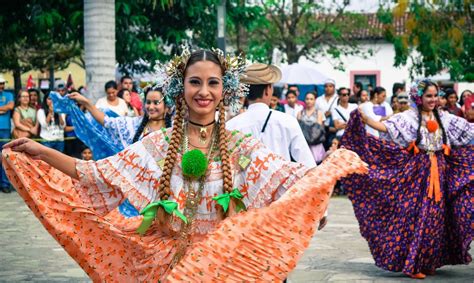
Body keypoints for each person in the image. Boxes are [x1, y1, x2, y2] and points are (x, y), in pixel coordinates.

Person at [2, 49, 366, 281]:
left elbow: (287, 176)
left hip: (224, 266)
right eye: (195, 82)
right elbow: (95, 173)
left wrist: (328, 171)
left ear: (225, 90)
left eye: (212, 83)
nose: (203, 91)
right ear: (182, 87)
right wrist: (41, 151)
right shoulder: (157, 144)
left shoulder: (241, 145)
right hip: (166, 264)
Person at [341, 79, 473, 279]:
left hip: (441, 171)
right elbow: (388, 129)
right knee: (420, 215)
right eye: (428, 96)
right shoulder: (409, 117)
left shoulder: (444, 117)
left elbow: (468, 130)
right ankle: (413, 264)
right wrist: (366, 120)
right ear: (419, 97)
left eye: (435, 95)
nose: (433, 99)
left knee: (437, 217)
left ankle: (430, 262)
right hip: (417, 173)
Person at [227, 63, 315, 168]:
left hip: (244, 184)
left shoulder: (231, 126)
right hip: (282, 183)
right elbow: (308, 164)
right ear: (268, 90)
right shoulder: (287, 121)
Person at [60, 86, 170, 159]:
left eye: (156, 103)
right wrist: (86, 103)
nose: (151, 107)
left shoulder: (176, 129)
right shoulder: (133, 125)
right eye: (148, 102)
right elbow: (107, 122)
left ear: (167, 106)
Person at [297, 91, 326, 164]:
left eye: (311, 99)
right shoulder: (300, 113)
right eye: (307, 99)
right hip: (304, 143)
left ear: (315, 100)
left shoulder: (319, 113)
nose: (309, 101)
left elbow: (319, 128)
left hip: (316, 143)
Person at [0, 75, 14, 193]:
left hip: (5, 129)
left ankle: (5, 184)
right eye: (0, 83)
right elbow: (6, 108)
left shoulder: (9, 94)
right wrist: (3, 109)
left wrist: (5, 108)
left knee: (5, 157)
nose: (2, 86)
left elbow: (10, 106)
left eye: (2, 83)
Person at [315, 79, 338, 148]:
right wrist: (323, 116)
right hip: (322, 128)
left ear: (334, 87)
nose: (328, 88)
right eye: (326, 86)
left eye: (330, 86)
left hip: (334, 128)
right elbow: (315, 112)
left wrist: (332, 113)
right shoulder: (319, 99)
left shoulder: (338, 98)